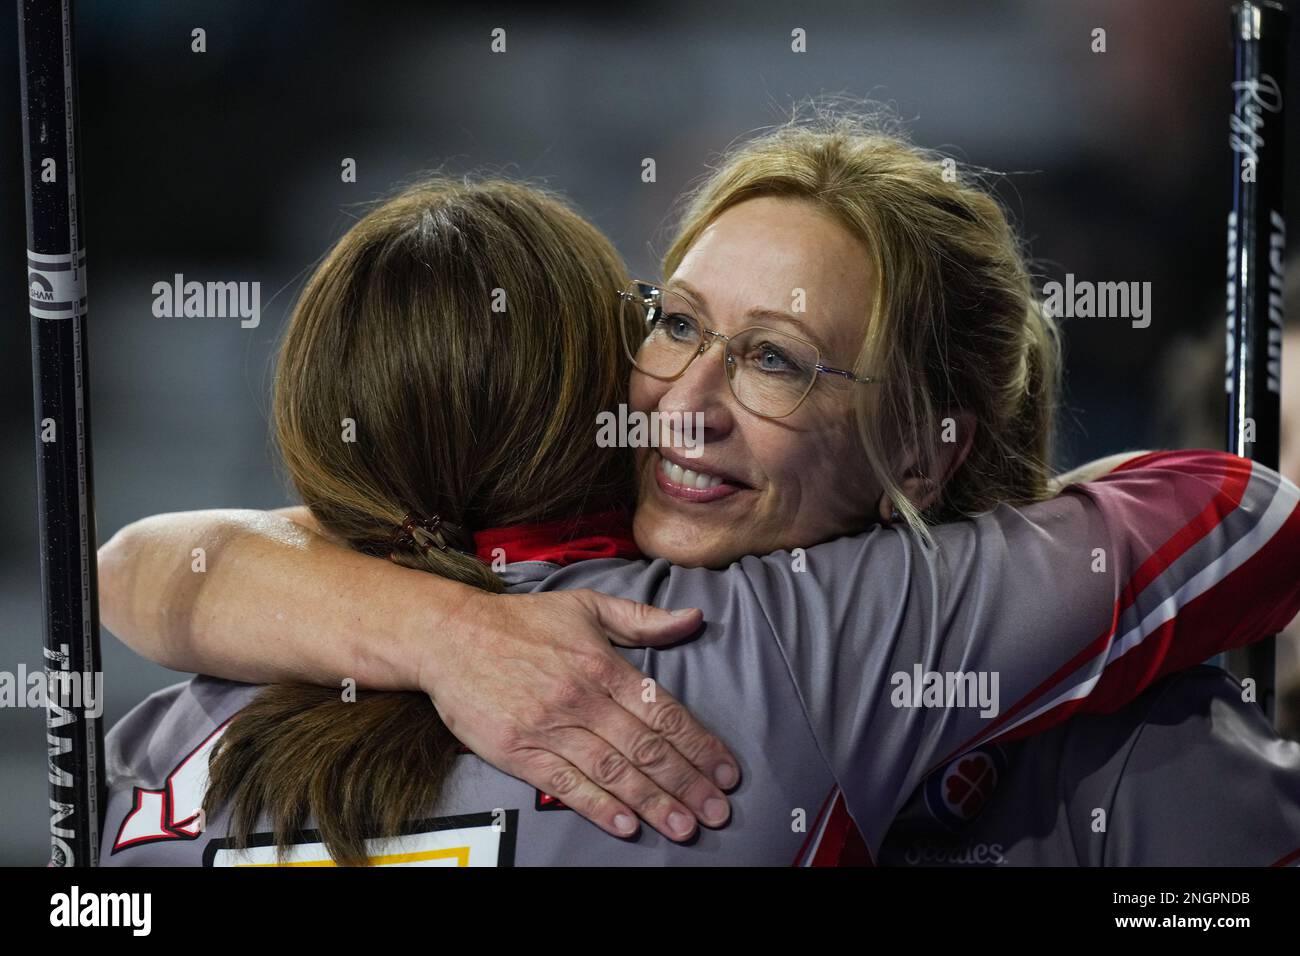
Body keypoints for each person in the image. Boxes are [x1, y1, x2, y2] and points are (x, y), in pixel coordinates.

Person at [99, 115, 1300, 866]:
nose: (684, 400)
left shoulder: (164, 738)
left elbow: (137, 566)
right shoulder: (773, 650)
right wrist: (447, 627)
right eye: (673, 323)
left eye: (774, 356)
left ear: (925, 454)